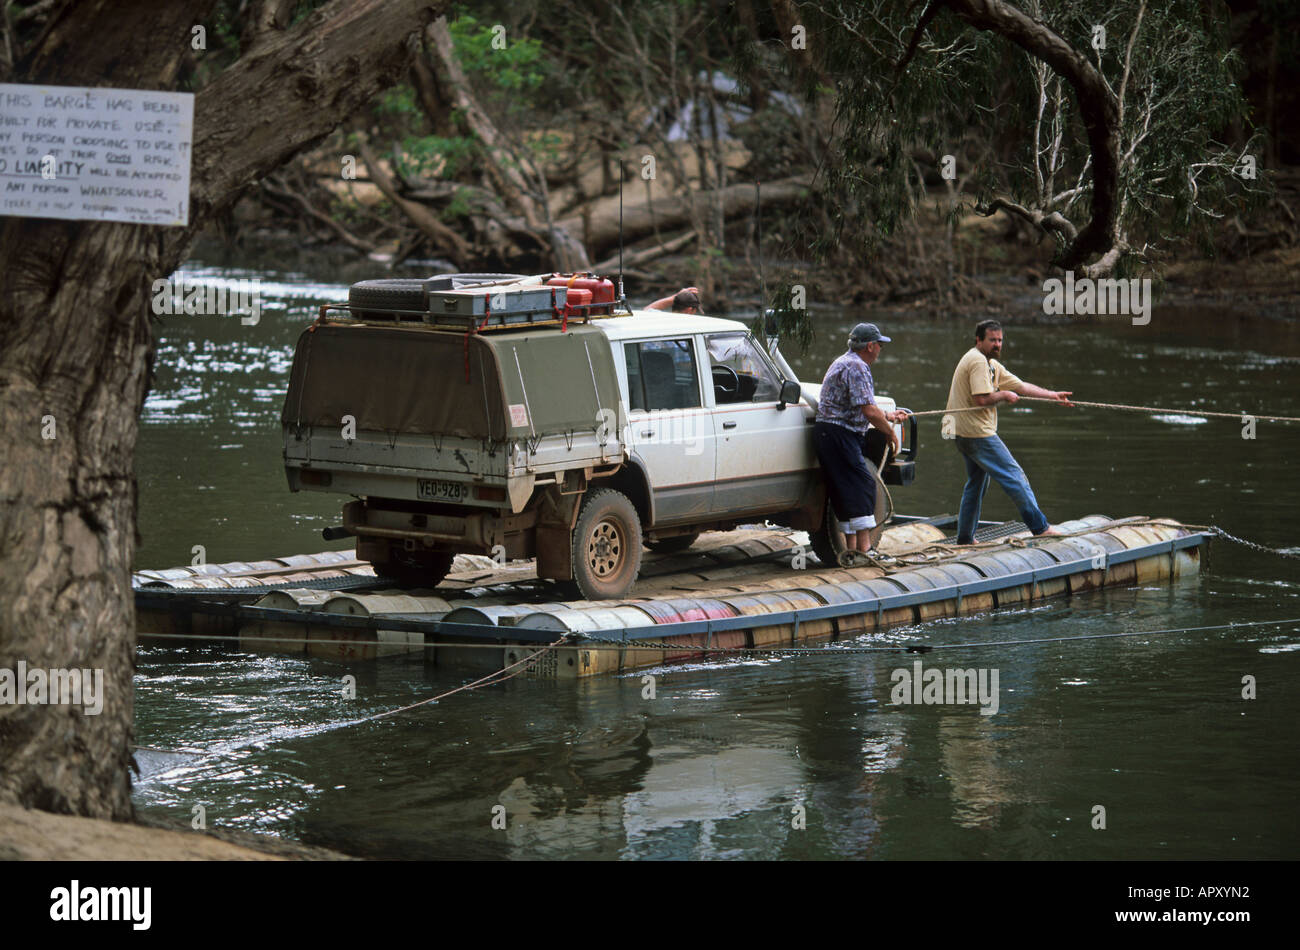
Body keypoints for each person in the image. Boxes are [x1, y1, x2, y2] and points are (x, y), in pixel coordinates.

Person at [945, 319, 1073, 545]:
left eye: (1000, 340)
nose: (997, 344)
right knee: (1014, 475)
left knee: (976, 482)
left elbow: (1021, 386)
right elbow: (981, 399)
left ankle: (965, 537)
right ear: (979, 340)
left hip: (960, 431)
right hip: (975, 432)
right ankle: (1040, 527)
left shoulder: (991, 363)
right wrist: (1003, 396)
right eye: (992, 340)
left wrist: (1053, 395)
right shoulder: (977, 361)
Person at [813, 323, 908, 560]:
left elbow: (858, 405)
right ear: (870, 346)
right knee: (863, 485)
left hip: (830, 433)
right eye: (879, 345)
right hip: (839, 434)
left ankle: (852, 549)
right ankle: (866, 550)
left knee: (845, 489)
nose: (880, 350)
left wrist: (889, 416)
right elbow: (868, 410)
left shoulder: (844, 362)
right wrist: (890, 432)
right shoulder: (857, 366)